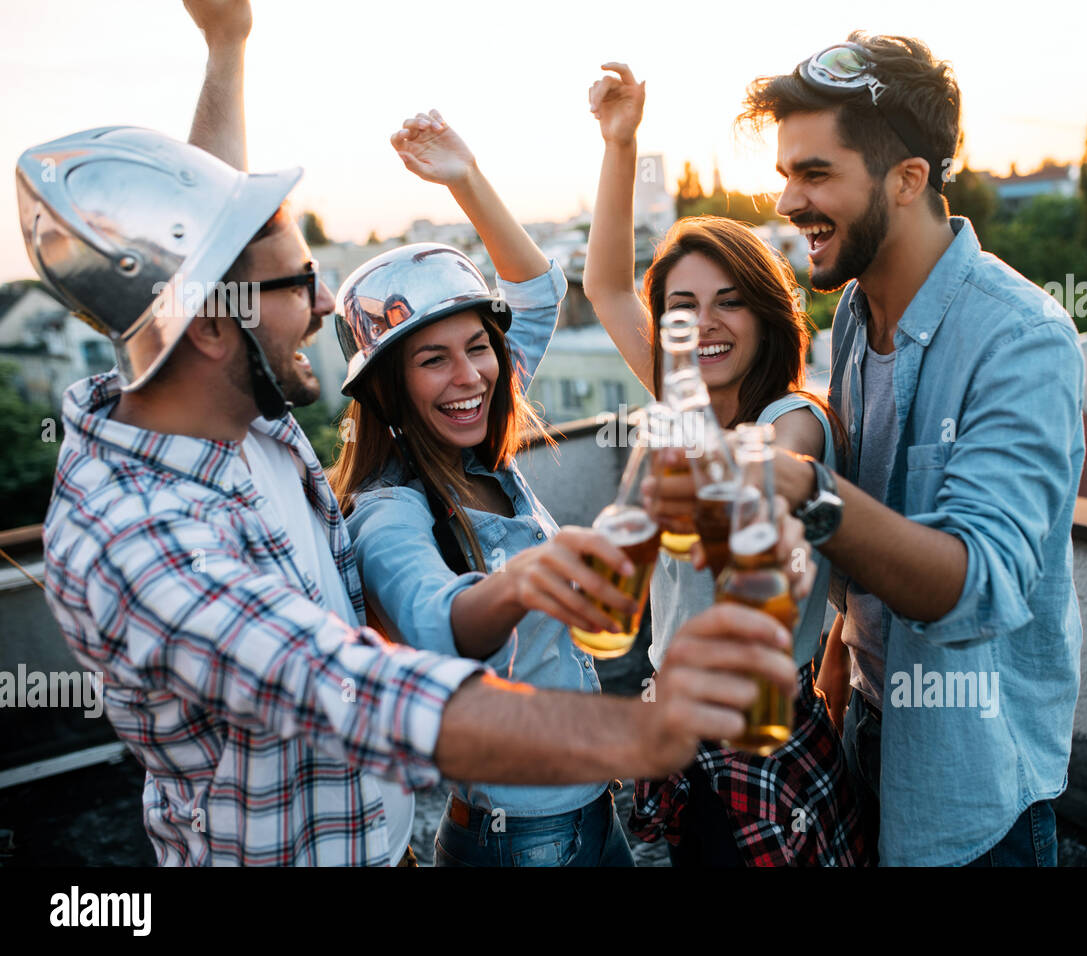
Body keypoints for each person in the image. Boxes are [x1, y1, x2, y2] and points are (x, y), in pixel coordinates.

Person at [23, 0, 796, 866]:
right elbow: (351, 686)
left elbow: (207, 241)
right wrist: (644, 732)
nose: (321, 306)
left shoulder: (239, 422)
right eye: (300, 286)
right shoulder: (135, 535)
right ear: (213, 324)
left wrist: (227, 46)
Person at [739, 33, 1086, 866]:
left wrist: (798, 486)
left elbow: (975, 584)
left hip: (972, 792)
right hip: (864, 740)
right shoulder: (856, 312)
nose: (786, 202)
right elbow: (873, 559)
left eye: (815, 173)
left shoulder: (1022, 339)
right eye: (786, 173)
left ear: (908, 179)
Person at [327, 107, 642, 866]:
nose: (468, 376)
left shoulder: (476, 437)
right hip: (523, 838)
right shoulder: (387, 509)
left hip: (587, 807)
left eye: (478, 348)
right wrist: (531, 578)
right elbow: (436, 627)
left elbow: (536, 291)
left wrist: (465, 178)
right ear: (390, 390)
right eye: (433, 359)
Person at [584, 64, 865, 866]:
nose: (703, 325)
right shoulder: (683, 403)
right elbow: (604, 285)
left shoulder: (790, 417)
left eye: (728, 301)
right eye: (682, 306)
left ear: (765, 313)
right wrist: (621, 143)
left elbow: (775, 469)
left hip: (764, 748)